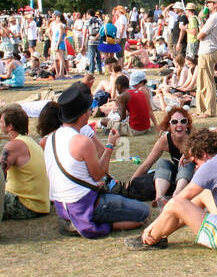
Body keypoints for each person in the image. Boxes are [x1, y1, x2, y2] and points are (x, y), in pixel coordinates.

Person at [126, 128, 217, 253]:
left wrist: (150, 225)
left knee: (176, 204)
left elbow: (178, 201)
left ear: (204, 153)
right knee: (203, 194)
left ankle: (149, 238)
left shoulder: (211, 166)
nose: (196, 168)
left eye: (195, 162)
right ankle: (160, 235)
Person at [44, 84, 151, 237]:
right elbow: (99, 174)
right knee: (143, 213)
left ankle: (74, 221)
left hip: (62, 205)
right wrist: (110, 145)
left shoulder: (51, 138)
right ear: (82, 115)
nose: (90, 113)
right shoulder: (82, 141)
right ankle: (93, 224)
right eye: (88, 110)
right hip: (83, 204)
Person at [128, 107, 198, 205]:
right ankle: (159, 197)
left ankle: (176, 195)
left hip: (193, 175)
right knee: (162, 162)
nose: (179, 125)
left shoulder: (195, 139)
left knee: (185, 162)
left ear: (187, 124)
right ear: (169, 125)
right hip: (178, 176)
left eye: (183, 121)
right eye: (174, 122)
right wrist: (130, 184)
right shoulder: (164, 140)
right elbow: (146, 165)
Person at [0, 104, 51, 220]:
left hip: (26, 204)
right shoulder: (31, 142)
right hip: (40, 204)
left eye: (1, 122)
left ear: (10, 126)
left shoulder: (14, 146)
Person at [194, 0, 217, 118]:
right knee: (202, 81)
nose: (207, 5)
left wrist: (201, 20)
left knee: (207, 82)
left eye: (210, 3)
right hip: (210, 51)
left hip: (208, 51)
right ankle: (202, 109)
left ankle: (209, 111)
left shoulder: (214, 18)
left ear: (216, 4)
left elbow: (199, 35)